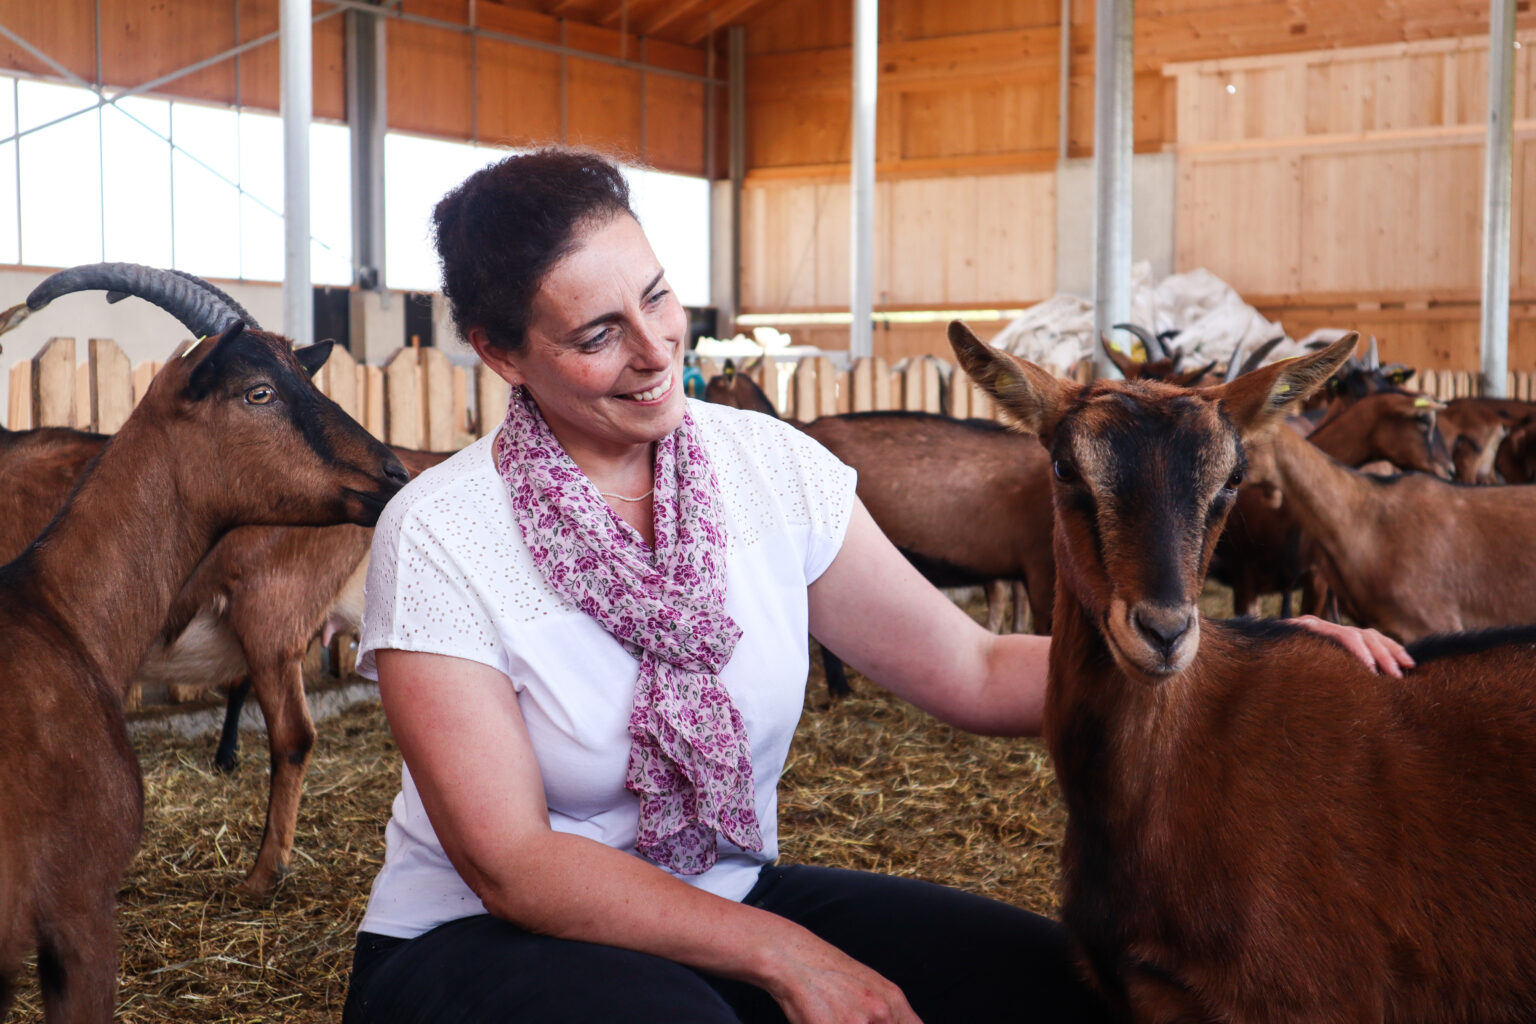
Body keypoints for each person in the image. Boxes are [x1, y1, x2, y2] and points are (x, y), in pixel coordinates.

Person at [341, 148, 1412, 1024]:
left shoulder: (767, 466)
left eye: (658, 295)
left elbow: (971, 662)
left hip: (724, 887)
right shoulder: (442, 534)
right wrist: (789, 956)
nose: (654, 345)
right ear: (500, 354)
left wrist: (1259, 668)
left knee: (1063, 991)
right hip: (476, 945)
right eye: (596, 333)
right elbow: (515, 865)